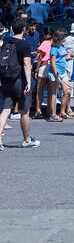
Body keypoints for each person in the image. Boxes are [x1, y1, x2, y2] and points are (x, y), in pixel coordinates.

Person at [0, 17, 40, 149]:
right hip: (20, 81)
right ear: (24, 29)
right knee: (24, 111)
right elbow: (27, 64)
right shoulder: (24, 44)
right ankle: (26, 139)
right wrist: (29, 81)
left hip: (6, 80)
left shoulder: (6, 42)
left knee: (5, 110)